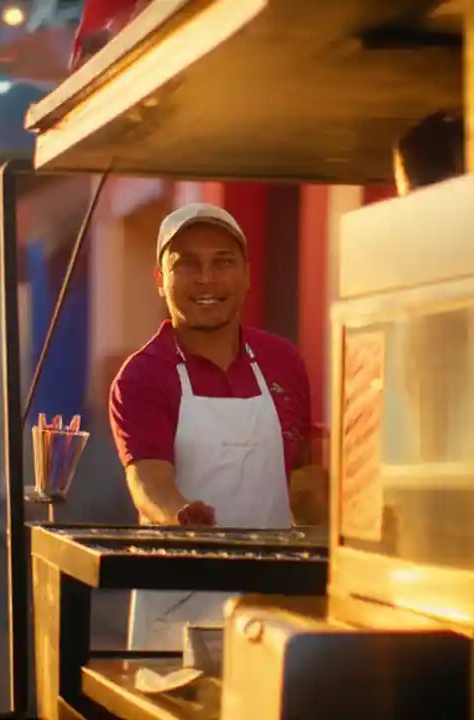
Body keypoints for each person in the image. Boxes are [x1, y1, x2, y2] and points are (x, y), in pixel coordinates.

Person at [108, 202, 328, 650]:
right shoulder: (142, 375)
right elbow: (147, 478)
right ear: (160, 280)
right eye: (187, 264)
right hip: (180, 607)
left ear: (246, 274)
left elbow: (303, 478)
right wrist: (181, 513)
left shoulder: (284, 361)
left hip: (273, 607)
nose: (206, 279)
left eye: (222, 263)